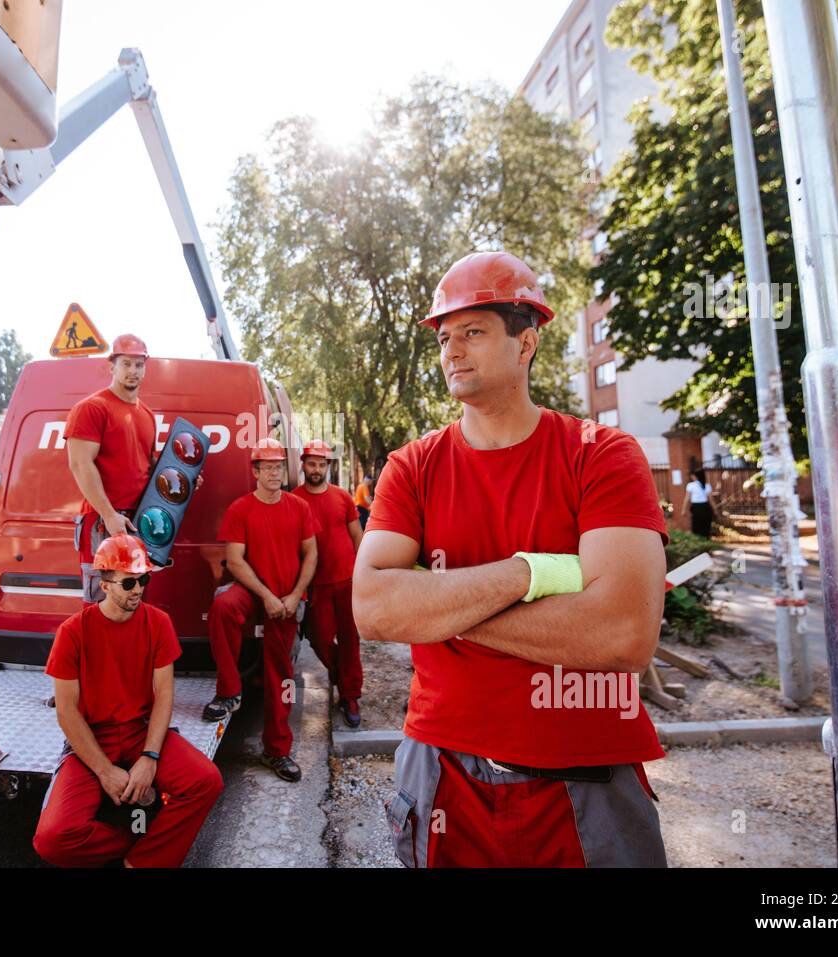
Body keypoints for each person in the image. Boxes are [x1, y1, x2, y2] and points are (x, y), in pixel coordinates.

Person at [353, 251, 669, 868]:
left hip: (587, 779)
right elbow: (372, 609)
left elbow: (622, 633)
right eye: (445, 337)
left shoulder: (601, 455)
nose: (452, 351)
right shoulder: (412, 467)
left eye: (473, 332)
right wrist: (533, 572)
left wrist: (438, 608)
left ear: (526, 344)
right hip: (443, 771)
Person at [32, 533, 224, 868]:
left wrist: (150, 757)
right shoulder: (73, 632)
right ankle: (132, 841)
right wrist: (105, 771)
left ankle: (144, 860)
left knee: (206, 782)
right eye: (129, 582)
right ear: (104, 584)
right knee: (52, 839)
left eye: (143, 580)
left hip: (141, 732)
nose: (138, 589)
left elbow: (165, 693)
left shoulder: (159, 622)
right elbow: (66, 712)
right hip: (92, 740)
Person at [203, 438, 318, 782]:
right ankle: (229, 692)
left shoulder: (298, 507)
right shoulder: (241, 509)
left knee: (280, 676)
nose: (273, 473)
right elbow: (235, 561)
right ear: (254, 471)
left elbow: (311, 554)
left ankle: (277, 751)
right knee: (223, 606)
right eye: (267, 467)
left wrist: (297, 594)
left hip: (287, 598)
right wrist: (266, 595)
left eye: (278, 466)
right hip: (255, 592)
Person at [65, 334, 157, 604]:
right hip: (102, 522)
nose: (133, 371)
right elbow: (80, 465)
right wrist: (109, 515)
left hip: (137, 523)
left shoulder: (147, 415)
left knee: (132, 601)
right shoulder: (92, 408)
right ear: (112, 366)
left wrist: (182, 481)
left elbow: (146, 469)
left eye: (139, 365)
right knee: (101, 603)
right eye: (126, 364)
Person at [292, 440, 365, 727]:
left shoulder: (343, 497)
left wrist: (364, 573)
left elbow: (357, 536)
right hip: (316, 584)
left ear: (328, 467)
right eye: (312, 464)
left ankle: (350, 695)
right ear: (304, 465)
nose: (317, 469)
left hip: (347, 580)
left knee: (351, 639)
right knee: (319, 639)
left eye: (322, 464)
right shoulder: (295, 500)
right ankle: (341, 676)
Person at [683, 469, 716, 537]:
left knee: (697, 525)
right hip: (705, 508)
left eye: (693, 475)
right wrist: (715, 510)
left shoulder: (691, 485)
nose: (691, 477)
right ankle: (705, 540)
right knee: (705, 525)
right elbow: (711, 500)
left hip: (696, 508)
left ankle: (699, 540)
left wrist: (683, 510)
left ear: (696, 476)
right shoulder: (707, 485)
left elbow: (687, 498)